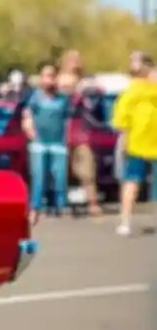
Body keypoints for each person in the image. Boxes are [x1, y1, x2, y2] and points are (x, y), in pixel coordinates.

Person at [111, 51, 157, 236]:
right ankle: (125, 220)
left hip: (144, 141)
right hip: (137, 142)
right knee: (131, 181)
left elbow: (121, 119)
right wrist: (123, 140)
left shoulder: (134, 91)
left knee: (132, 181)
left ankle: (125, 221)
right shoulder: (132, 91)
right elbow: (122, 120)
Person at [23, 61, 71, 220]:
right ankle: (36, 207)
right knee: (39, 176)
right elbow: (28, 114)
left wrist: (68, 138)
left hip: (59, 143)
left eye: (51, 76)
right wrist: (29, 128)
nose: (48, 80)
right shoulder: (35, 97)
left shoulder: (63, 99)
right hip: (39, 143)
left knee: (60, 176)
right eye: (45, 76)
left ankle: (61, 205)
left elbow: (68, 119)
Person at [57, 50, 103, 216]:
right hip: (61, 130)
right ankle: (58, 204)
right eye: (72, 59)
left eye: (78, 59)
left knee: (86, 168)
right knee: (60, 169)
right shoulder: (58, 80)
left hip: (81, 132)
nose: (76, 62)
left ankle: (93, 203)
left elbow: (97, 98)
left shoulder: (86, 82)